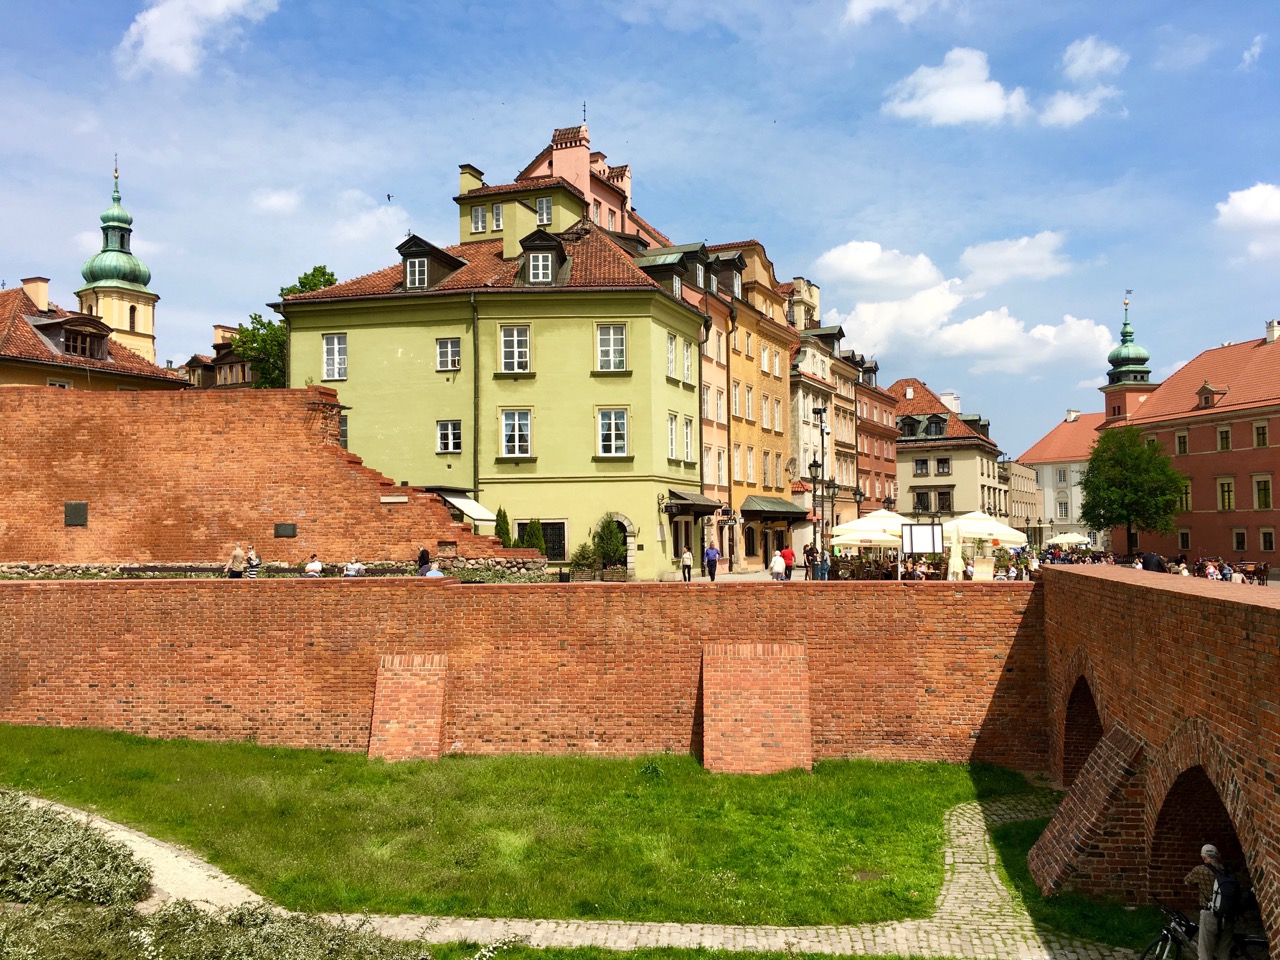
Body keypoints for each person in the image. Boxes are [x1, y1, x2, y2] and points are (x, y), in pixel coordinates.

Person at [1185, 843, 1236, 960]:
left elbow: (1187, 881)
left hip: (1210, 915)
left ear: (1203, 857)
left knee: (1205, 954)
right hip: (1228, 915)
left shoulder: (1200, 870)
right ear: (1217, 856)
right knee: (1224, 953)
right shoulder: (1227, 870)